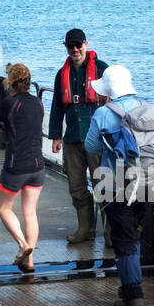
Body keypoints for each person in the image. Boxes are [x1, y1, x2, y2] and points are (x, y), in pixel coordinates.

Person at [83, 65, 154, 306]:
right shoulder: (148, 110)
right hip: (149, 183)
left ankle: (134, 294)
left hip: (115, 185)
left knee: (123, 237)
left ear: (109, 90)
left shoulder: (103, 113)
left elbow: (91, 147)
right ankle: (129, 292)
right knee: (132, 234)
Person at [48, 28, 108, 244]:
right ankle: (85, 230)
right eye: (70, 46)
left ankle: (111, 233)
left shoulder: (102, 69)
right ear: (65, 47)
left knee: (103, 185)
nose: (74, 49)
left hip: (98, 140)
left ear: (86, 44)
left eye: (78, 45)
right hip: (72, 138)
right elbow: (56, 107)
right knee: (76, 187)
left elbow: (117, 100)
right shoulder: (61, 74)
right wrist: (55, 135)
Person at [0, 63, 45, 272]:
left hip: (15, 166)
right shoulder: (38, 103)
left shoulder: (8, 102)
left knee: (4, 208)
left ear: (10, 81)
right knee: (30, 213)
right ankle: (30, 262)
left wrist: (5, 123)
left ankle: (23, 246)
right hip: (38, 166)